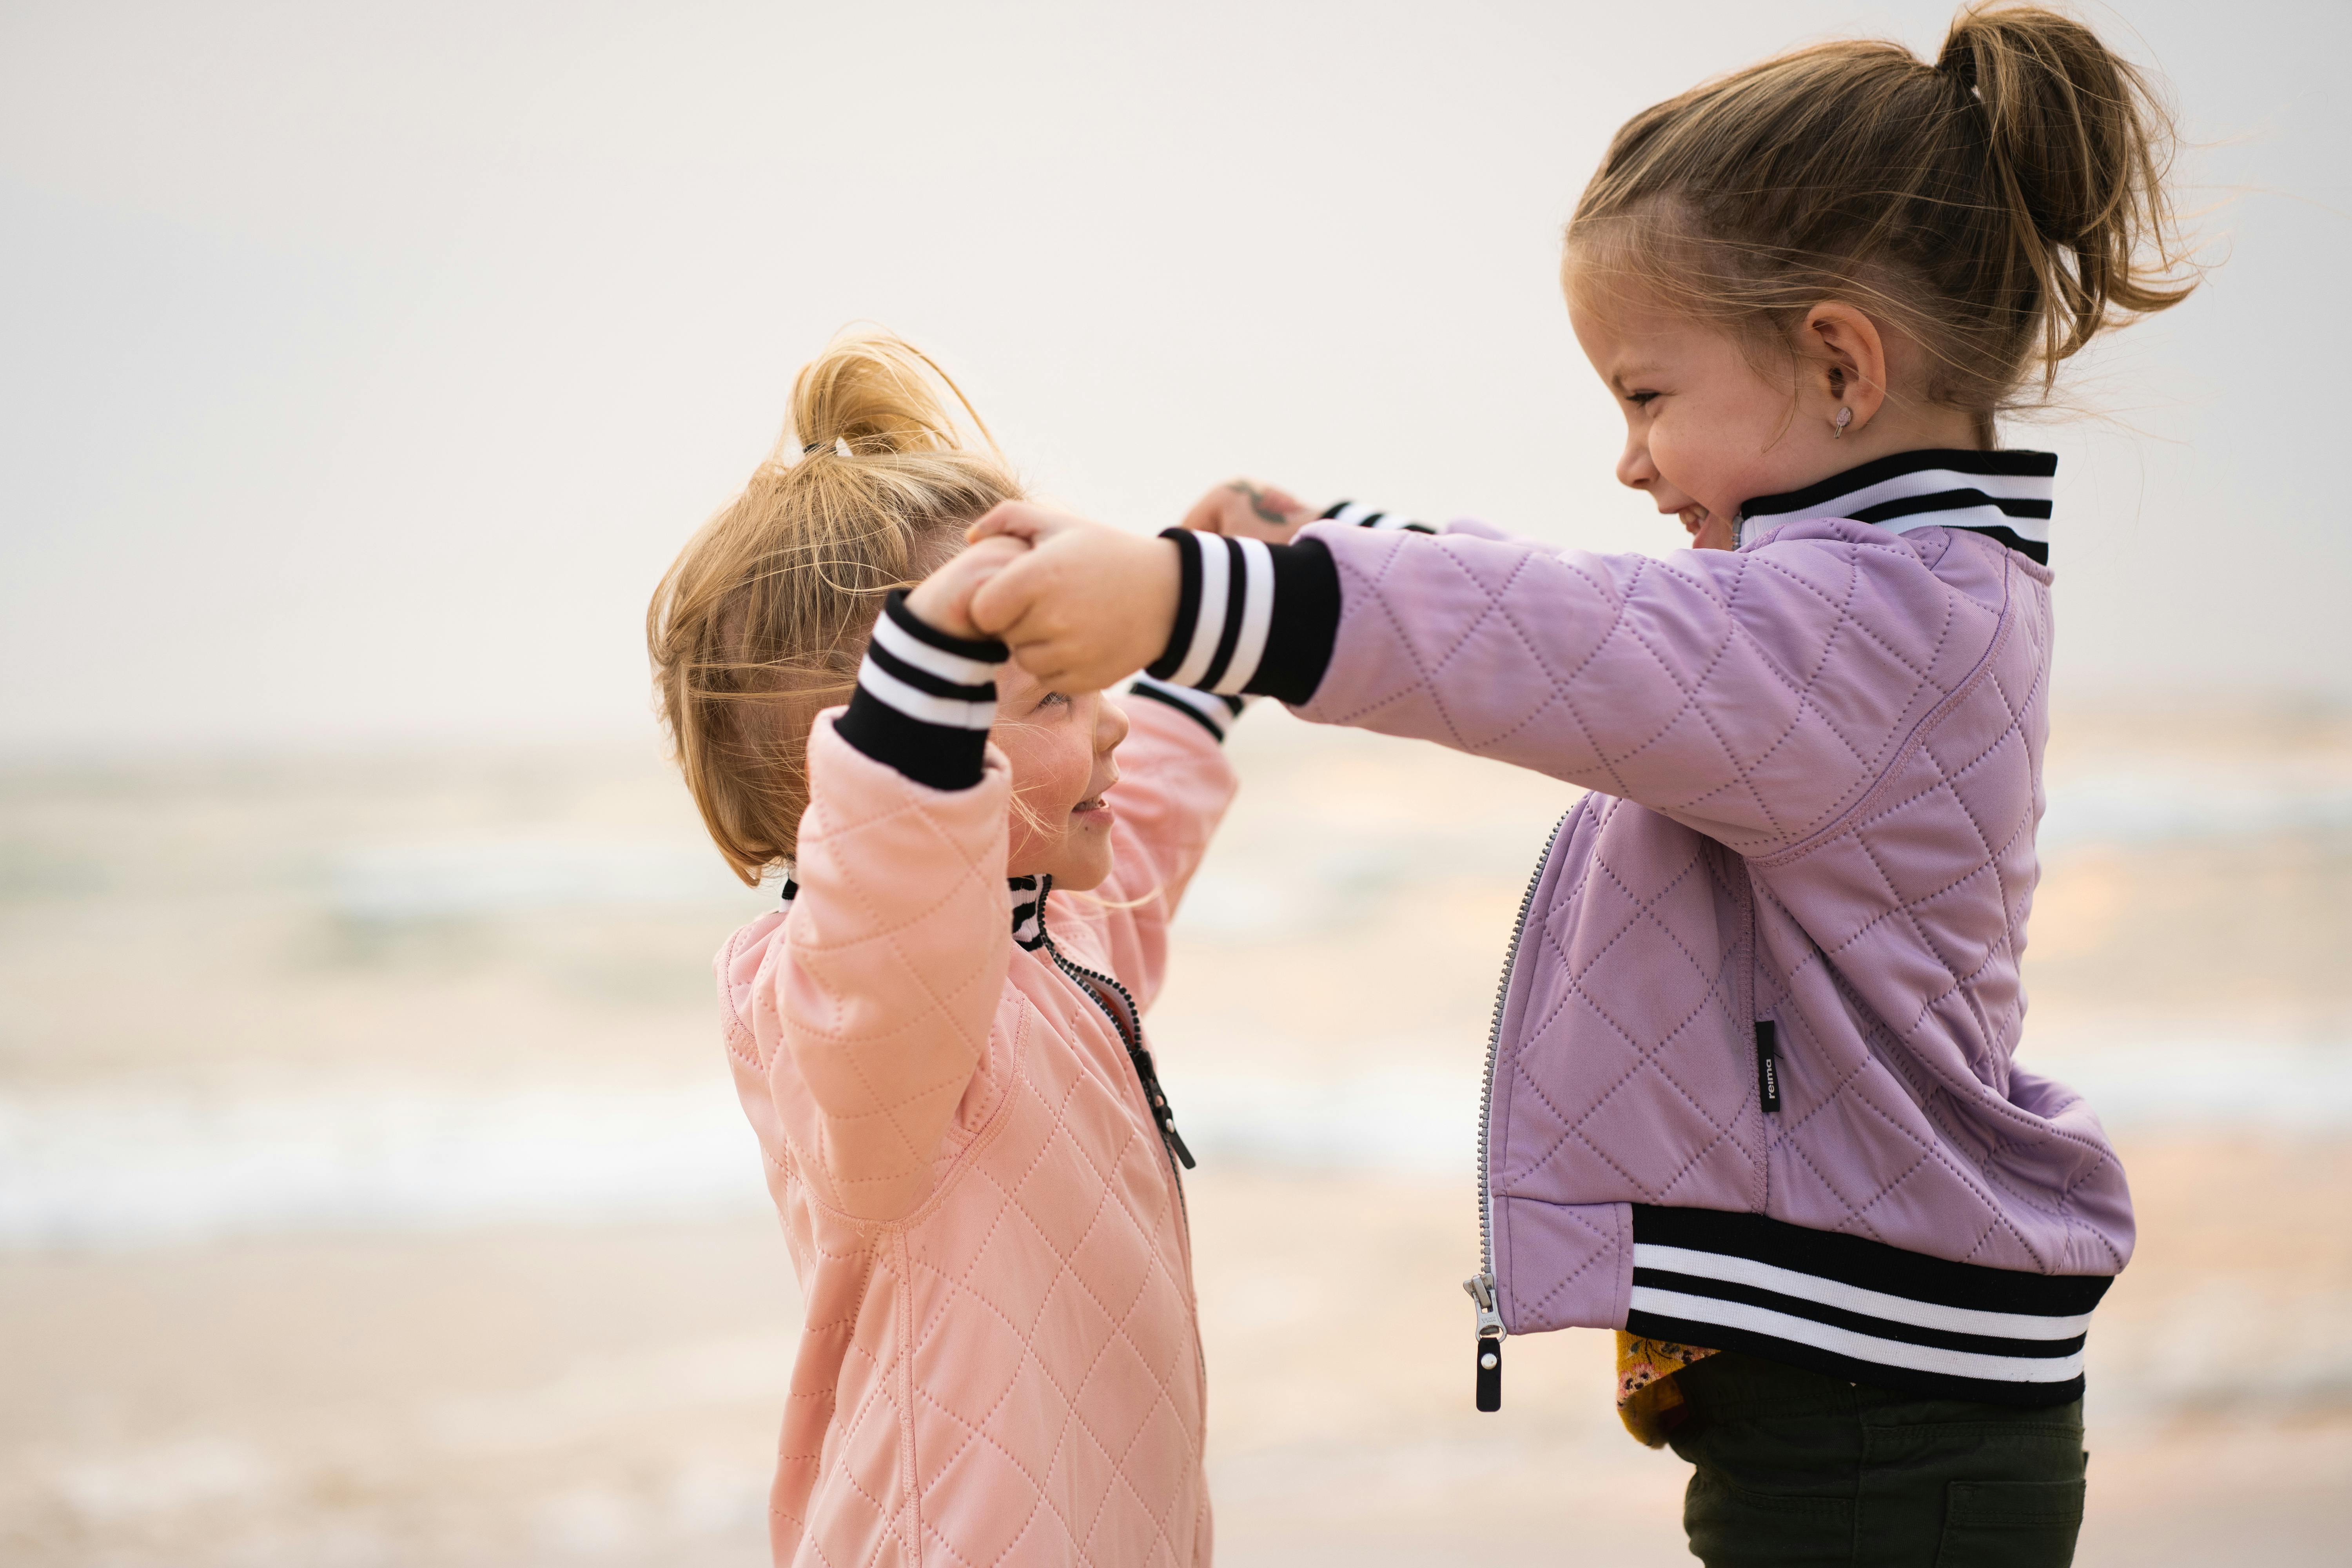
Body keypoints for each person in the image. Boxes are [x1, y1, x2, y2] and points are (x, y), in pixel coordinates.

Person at [958, 5, 2195, 1562]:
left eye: (1647, 395)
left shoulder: (1861, 632)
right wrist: (1333, 537)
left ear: (1837, 364)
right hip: (1875, 1405)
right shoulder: (1881, 609)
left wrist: (1202, 599)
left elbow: (1562, 643)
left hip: (1883, 1435)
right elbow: (1589, 633)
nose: (1627, 457)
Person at [648, 331, 1244, 1567]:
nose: (1113, 727)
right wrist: (927, 690)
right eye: (1056, 699)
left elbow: (1145, 837)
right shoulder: (847, 1004)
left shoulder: (1058, 937)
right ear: (905, 741)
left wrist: (1225, 639)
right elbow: (895, 891)